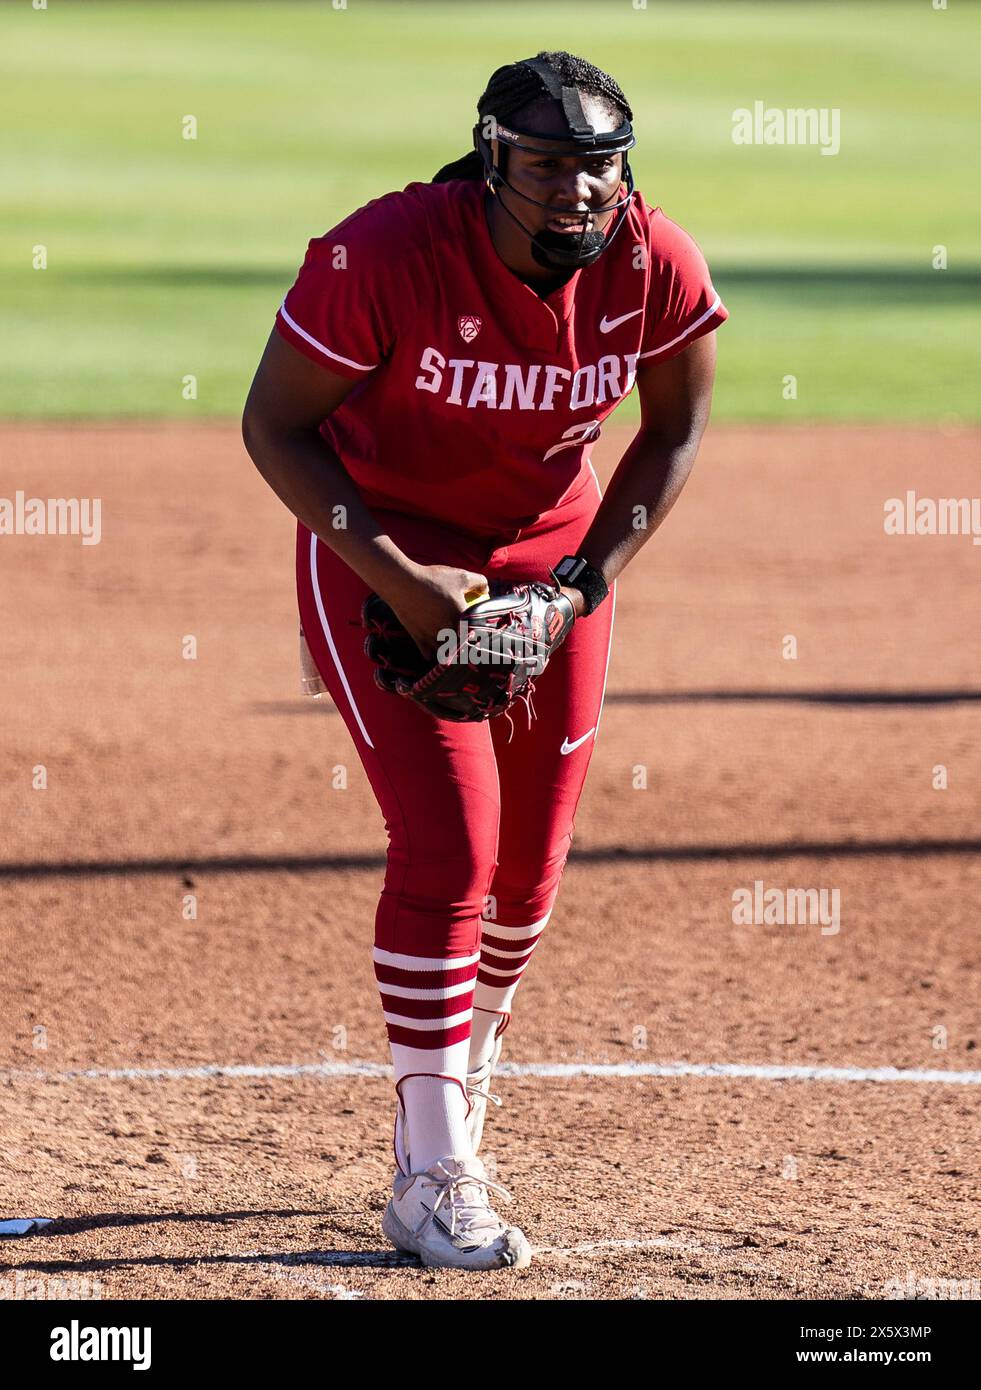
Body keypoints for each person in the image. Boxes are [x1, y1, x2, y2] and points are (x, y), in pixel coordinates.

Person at [242, 49, 727, 1271]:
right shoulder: (386, 254)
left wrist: (571, 594)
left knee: (528, 873)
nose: (579, 192)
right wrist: (407, 587)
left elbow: (672, 434)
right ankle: (431, 1168)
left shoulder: (651, 262)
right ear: (493, 159)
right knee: (450, 845)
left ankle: (465, 1064)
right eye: (552, 165)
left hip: (555, 560)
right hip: (382, 551)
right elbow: (275, 422)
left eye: (600, 168)